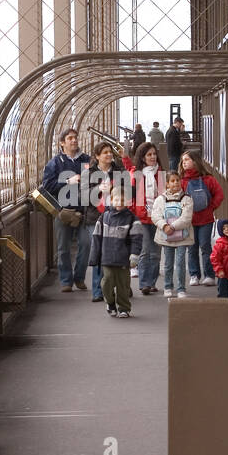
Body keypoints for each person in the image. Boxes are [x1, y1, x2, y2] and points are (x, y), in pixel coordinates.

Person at [41, 128, 92, 292]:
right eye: (70, 138)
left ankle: (79, 277)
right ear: (62, 142)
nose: (74, 140)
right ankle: (66, 280)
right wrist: (68, 182)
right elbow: (47, 186)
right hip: (64, 211)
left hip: (84, 210)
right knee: (63, 247)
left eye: (75, 138)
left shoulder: (86, 160)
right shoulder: (55, 163)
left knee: (86, 244)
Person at [88, 186, 144, 318]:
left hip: (124, 259)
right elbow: (96, 238)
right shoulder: (104, 217)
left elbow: (137, 239)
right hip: (107, 258)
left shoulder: (132, 219)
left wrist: (134, 256)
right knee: (106, 282)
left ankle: (124, 308)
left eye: (123, 200)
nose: (120, 203)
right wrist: (94, 256)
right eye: (117, 199)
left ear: (128, 202)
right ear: (111, 200)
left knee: (123, 285)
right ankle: (110, 302)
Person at [86, 140, 127, 302]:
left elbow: (128, 193)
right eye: (105, 152)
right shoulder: (89, 174)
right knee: (98, 252)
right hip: (95, 218)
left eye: (110, 152)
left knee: (118, 252)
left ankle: (121, 287)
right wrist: (97, 190)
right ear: (97, 156)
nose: (109, 155)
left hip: (116, 217)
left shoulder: (119, 171)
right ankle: (98, 290)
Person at [179, 151, 224, 285]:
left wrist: (211, 207)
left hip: (206, 219)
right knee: (192, 248)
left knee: (205, 246)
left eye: (187, 159)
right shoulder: (182, 181)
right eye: (183, 161)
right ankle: (194, 275)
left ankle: (209, 275)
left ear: (195, 161)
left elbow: (219, 194)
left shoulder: (208, 179)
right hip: (189, 221)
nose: (184, 162)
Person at [151, 171, 194, 299]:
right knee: (168, 263)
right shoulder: (160, 199)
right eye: (172, 181)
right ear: (167, 184)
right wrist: (164, 226)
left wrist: (173, 227)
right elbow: (155, 215)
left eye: (177, 180)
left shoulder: (187, 199)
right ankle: (168, 286)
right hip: (166, 236)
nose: (175, 183)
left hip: (182, 236)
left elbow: (187, 217)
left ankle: (181, 288)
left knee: (180, 262)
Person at [131, 140, 163, 295]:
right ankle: (144, 283)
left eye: (154, 154)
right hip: (141, 217)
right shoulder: (136, 175)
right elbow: (131, 197)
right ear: (142, 158)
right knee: (145, 250)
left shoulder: (161, 174)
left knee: (156, 252)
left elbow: (165, 196)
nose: (152, 157)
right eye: (149, 154)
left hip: (158, 218)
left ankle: (151, 282)